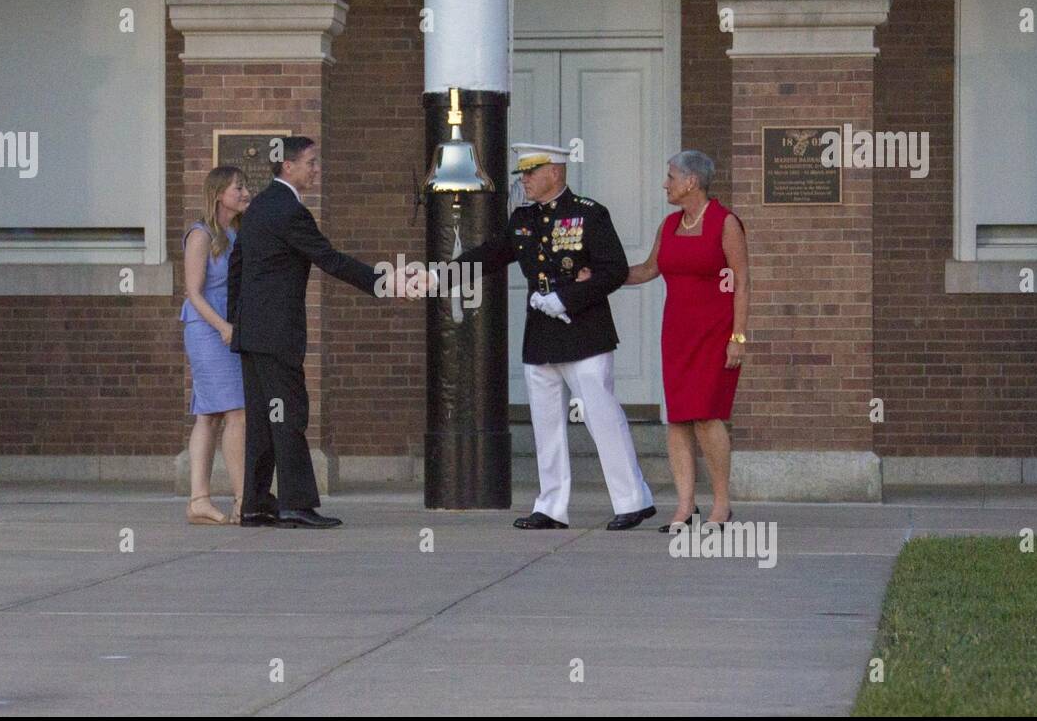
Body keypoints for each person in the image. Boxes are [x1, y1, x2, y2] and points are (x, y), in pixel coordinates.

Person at [439, 143, 657, 530]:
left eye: (531, 172)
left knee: (601, 416)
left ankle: (632, 499)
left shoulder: (589, 214)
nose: (524, 179)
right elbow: (492, 254)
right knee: (546, 423)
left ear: (555, 172)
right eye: (522, 173)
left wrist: (568, 297)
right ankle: (551, 506)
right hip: (541, 333)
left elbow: (614, 270)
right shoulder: (523, 219)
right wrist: (443, 275)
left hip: (584, 331)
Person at [228, 137, 416, 528]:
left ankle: (256, 503)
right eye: (311, 163)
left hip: (252, 333)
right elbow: (329, 259)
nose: (316, 170)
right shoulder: (289, 211)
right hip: (278, 332)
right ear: (288, 167)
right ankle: (295, 503)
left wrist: (237, 324)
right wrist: (384, 282)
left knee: (263, 421)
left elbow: (237, 267)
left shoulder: (259, 207)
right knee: (289, 415)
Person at [621, 150, 749, 530]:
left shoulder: (725, 224)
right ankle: (685, 506)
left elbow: (742, 283)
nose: (666, 184)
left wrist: (737, 337)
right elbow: (647, 269)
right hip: (676, 333)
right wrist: (602, 275)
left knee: (707, 416)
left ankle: (721, 505)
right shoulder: (670, 224)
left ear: (691, 181)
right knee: (677, 419)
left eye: (671, 177)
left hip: (714, 334)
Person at [180, 166, 251, 525]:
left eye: (244, 187)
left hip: (229, 329)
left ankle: (199, 500)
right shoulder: (201, 235)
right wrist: (223, 326)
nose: (245, 192)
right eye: (238, 187)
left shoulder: (235, 234)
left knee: (208, 415)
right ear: (219, 193)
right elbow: (193, 293)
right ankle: (242, 500)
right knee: (237, 411)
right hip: (208, 330)